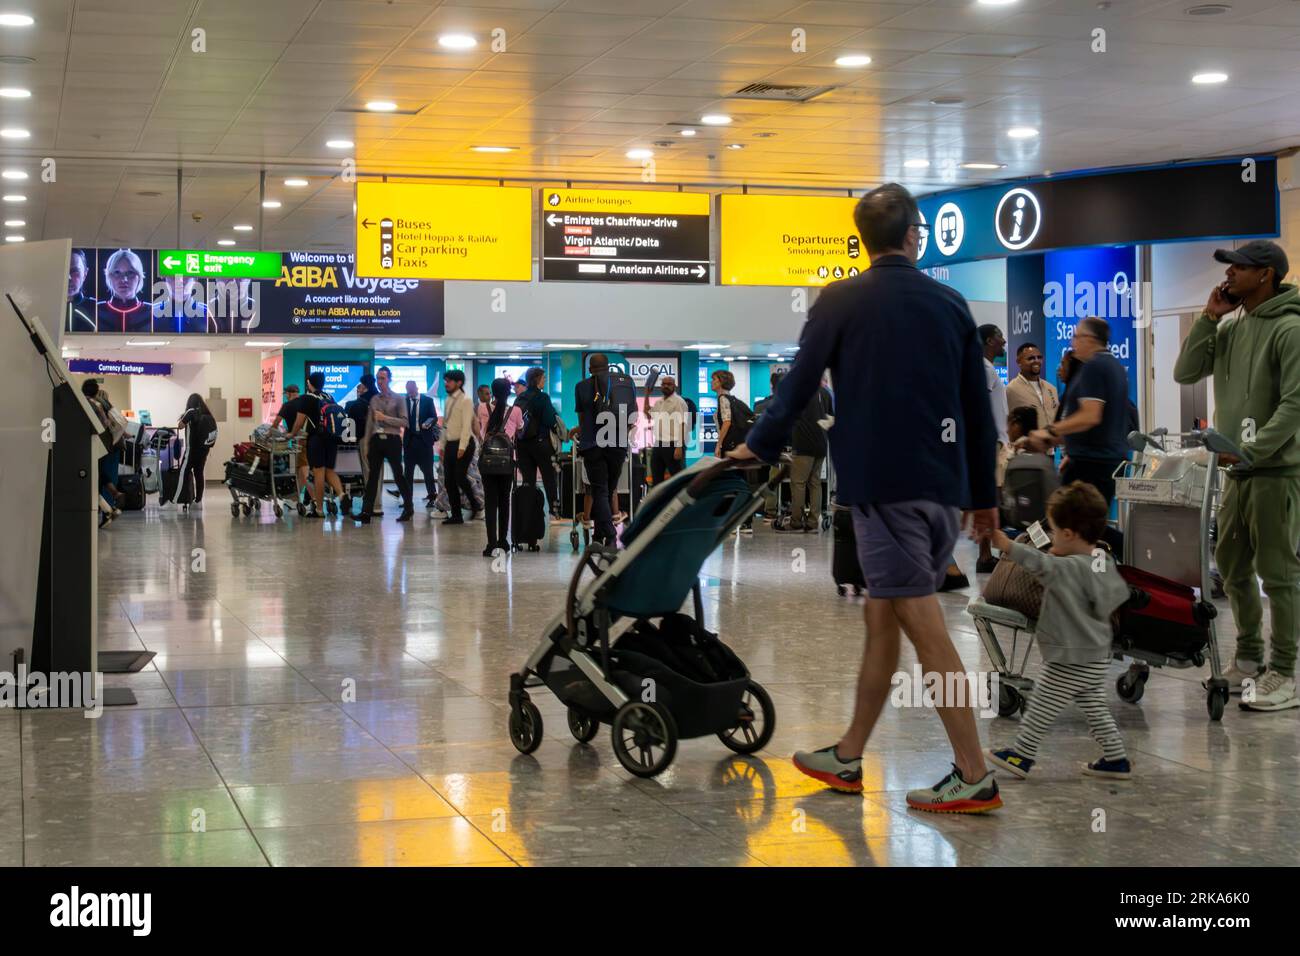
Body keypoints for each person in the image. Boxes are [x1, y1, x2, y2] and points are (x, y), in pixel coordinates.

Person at [729, 182, 1001, 812]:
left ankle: (974, 771)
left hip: (886, 491)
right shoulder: (951, 303)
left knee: (925, 630)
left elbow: (796, 386)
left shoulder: (841, 300)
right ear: (914, 236)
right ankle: (850, 754)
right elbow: (977, 409)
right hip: (939, 492)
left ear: (862, 240)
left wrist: (758, 446)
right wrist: (983, 496)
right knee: (883, 619)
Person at [1173, 239, 1300, 711]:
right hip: (1238, 474)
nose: (1227, 276)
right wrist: (1209, 318)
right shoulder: (1230, 327)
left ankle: (1285, 672)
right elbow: (1185, 373)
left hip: (1275, 473)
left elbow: (1294, 405)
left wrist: (1251, 451)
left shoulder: (1290, 328)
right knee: (1231, 566)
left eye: (1237, 269)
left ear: (1265, 273)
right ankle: (1249, 657)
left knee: (1279, 575)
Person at [984, 481, 1133, 778]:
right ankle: (1116, 759)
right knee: (1095, 707)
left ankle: (1021, 756)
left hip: (1070, 657)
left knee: (1041, 704)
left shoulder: (1069, 567)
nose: (1051, 536)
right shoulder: (1101, 561)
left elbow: (1039, 563)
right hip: (1095, 654)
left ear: (1068, 534)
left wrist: (1007, 545)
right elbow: (1118, 595)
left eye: (1053, 530)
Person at [1024, 317, 1129, 507]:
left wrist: (1050, 431)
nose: (1072, 342)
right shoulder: (1115, 366)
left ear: (1089, 338)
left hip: (1092, 465)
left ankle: (1123, 540)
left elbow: (1090, 416)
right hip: (1099, 461)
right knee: (1084, 526)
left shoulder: (1094, 367)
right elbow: (1100, 422)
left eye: (1075, 337)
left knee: (1073, 525)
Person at [572, 353, 636, 547]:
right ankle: (599, 536)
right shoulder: (625, 383)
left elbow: (582, 420)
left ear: (590, 369)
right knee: (609, 489)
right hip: (617, 444)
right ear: (608, 367)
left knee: (599, 490)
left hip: (593, 444)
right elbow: (632, 417)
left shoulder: (582, 386)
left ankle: (609, 534)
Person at [358, 366, 413, 524]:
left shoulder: (398, 399)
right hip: (376, 440)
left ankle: (408, 508)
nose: (380, 381)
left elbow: (405, 422)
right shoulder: (374, 399)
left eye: (382, 378)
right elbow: (370, 423)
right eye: (378, 378)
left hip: (393, 439)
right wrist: (367, 443)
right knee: (373, 476)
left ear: (389, 379)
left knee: (398, 474)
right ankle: (366, 512)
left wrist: (385, 418)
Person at [286, 372, 345, 518]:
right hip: (332, 438)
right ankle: (342, 494)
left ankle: (319, 509)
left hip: (317, 439)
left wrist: (291, 434)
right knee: (330, 470)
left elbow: (299, 422)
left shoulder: (307, 398)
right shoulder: (329, 397)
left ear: (309, 383)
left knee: (319, 473)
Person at [779, 376, 833, 533]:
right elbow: (831, 418)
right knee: (815, 482)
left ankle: (796, 522)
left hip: (803, 445)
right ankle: (813, 522)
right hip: (821, 445)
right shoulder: (826, 393)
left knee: (798, 482)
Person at [977, 324, 1010, 573]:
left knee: (992, 498)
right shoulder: (983, 369)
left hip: (995, 442)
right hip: (990, 443)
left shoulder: (988, 369)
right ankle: (985, 555)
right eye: (999, 337)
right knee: (988, 498)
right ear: (989, 341)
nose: (1004, 341)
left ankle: (987, 553)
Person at [479, 377, 523, 556]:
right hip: (506, 462)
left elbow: (480, 430)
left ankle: (490, 544)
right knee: (505, 501)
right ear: (509, 392)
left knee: (490, 502)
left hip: (487, 462)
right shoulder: (516, 410)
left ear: (493, 392)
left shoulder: (482, 408)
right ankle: (503, 541)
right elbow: (520, 429)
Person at [712, 368, 758, 534]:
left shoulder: (723, 399)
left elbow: (727, 422)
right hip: (737, 444)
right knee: (740, 483)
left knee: (730, 483)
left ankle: (731, 522)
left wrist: (719, 444)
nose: (712, 382)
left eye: (715, 379)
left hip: (730, 446)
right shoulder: (734, 399)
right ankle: (746, 522)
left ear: (722, 382)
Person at [513, 366, 560, 518]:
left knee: (528, 480)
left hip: (523, 444)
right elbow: (549, 420)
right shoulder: (543, 397)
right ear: (537, 380)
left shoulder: (519, 398)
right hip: (541, 443)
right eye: (543, 378)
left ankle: (530, 510)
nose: (544, 380)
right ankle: (553, 511)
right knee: (549, 478)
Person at [81, 380, 123, 526]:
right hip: (103, 445)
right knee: (98, 475)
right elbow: (105, 424)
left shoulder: (86, 404)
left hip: (89, 445)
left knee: (93, 479)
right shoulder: (99, 404)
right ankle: (111, 500)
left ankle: (108, 509)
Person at [440, 368, 478, 524]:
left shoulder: (466, 400)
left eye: (449, 381)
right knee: (449, 481)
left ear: (459, 383)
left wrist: (462, 448)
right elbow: (446, 424)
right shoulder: (448, 400)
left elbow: (466, 427)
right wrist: (442, 446)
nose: (446, 384)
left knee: (460, 477)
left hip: (464, 444)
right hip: (450, 444)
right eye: (446, 381)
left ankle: (475, 505)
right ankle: (456, 516)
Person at [1006, 343, 1059, 430]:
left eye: (1039, 357)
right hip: (1026, 443)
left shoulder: (1051, 388)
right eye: (1031, 358)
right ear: (1019, 362)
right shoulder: (1011, 390)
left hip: (1053, 442)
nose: (1036, 361)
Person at [401, 380, 438, 508]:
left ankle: (432, 498)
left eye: (411, 391)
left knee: (428, 472)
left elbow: (434, 417)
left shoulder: (427, 401)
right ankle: (407, 500)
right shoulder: (404, 401)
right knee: (408, 474)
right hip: (410, 442)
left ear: (416, 388)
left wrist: (427, 424)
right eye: (408, 391)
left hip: (424, 441)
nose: (409, 393)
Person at [95, 249, 151, 332]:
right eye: (117, 272)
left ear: (139, 276)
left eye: (130, 272)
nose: (124, 279)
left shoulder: (152, 312)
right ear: (109, 276)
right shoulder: (95, 310)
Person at [176, 393, 218, 506]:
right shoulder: (207, 414)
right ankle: (198, 500)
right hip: (204, 450)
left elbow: (180, 425)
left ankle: (177, 499)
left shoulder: (191, 412)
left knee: (183, 473)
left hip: (192, 450)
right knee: (199, 474)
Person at [649, 374, 689, 486]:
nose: (666, 386)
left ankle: (681, 503)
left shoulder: (679, 402)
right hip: (659, 443)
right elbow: (648, 414)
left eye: (669, 384)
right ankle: (660, 503)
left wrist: (679, 447)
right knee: (656, 478)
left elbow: (683, 424)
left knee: (677, 478)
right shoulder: (659, 402)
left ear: (674, 386)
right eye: (664, 384)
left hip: (673, 444)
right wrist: (647, 394)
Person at [344, 373, 375, 513]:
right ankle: (371, 501)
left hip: (358, 440)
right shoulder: (377, 399)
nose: (359, 389)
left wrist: (349, 440)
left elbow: (348, 425)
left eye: (360, 386)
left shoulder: (353, 405)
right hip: (374, 440)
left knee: (361, 471)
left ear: (365, 387)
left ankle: (366, 501)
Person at [67, 249, 96, 332]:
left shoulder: (97, 308)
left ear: (85, 273)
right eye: (63, 270)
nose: (68, 277)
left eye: (74, 271)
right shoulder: (45, 308)